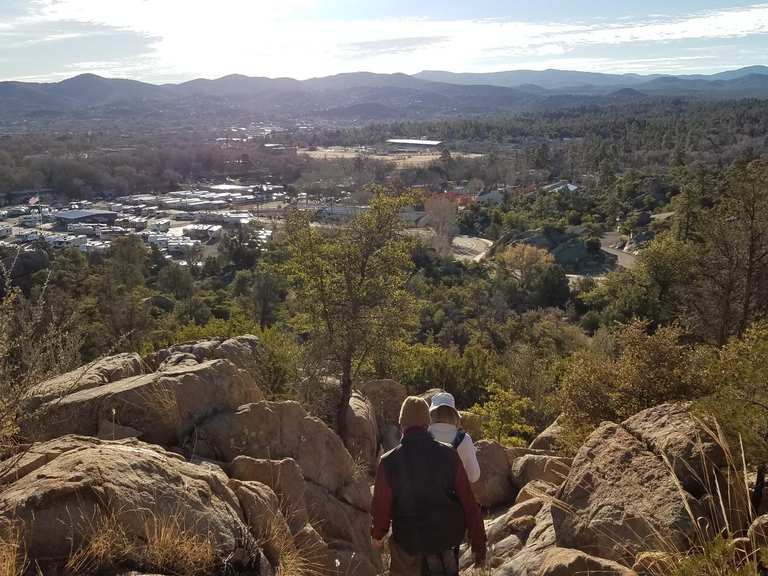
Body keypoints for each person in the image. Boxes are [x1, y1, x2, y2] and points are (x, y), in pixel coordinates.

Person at [371, 396, 487, 576]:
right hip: (446, 542)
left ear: (402, 425)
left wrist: (378, 536)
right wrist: (478, 543)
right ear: (427, 423)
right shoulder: (449, 454)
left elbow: (381, 505)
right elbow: (468, 501)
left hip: (408, 545)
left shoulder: (388, 461)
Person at [428, 392, 481, 484]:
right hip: (451, 495)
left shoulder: (421, 436)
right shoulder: (463, 439)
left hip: (424, 495)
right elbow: (474, 476)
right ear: (454, 415)